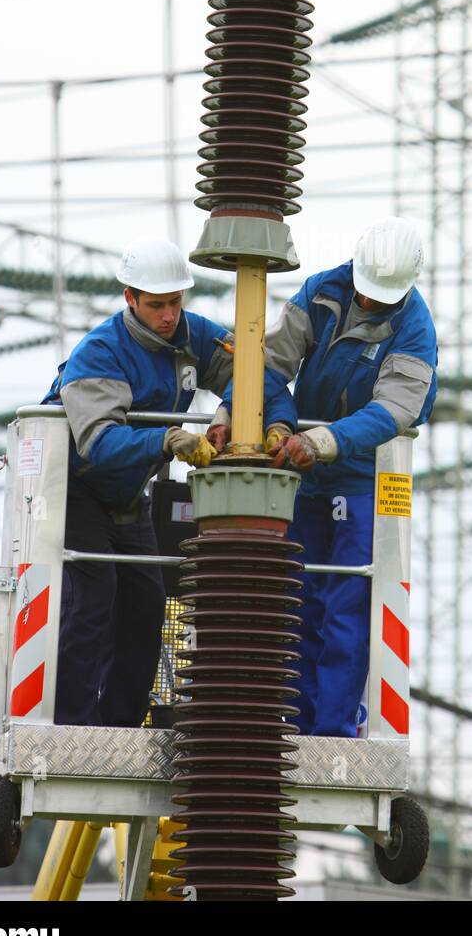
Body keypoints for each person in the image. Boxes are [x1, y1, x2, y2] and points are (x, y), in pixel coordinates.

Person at [41, 235, 295, 728]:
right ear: (129, 299)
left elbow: (257, 378)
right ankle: (72, 726)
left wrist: (271, 422)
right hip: (77, 493)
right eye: (156, 305)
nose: (168, 316)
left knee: (148, 605)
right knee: (92, 601)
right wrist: (169, 440)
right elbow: (99, 443)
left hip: (128, 498)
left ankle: (122, 727)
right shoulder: (99, 355)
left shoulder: (193, 336)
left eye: (175, 302)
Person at [264, 216, 438, 737]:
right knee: (298, 600)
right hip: (305, 478)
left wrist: (322, 442)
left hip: (364, 482)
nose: (371, 304)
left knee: (346, 606)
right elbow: (269, 363)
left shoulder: (414, 329)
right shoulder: (321, 293)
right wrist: (262, 418)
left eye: (383, 299)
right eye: (367, 294)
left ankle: (333, 732)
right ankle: (290, 726)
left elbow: (395, 410)